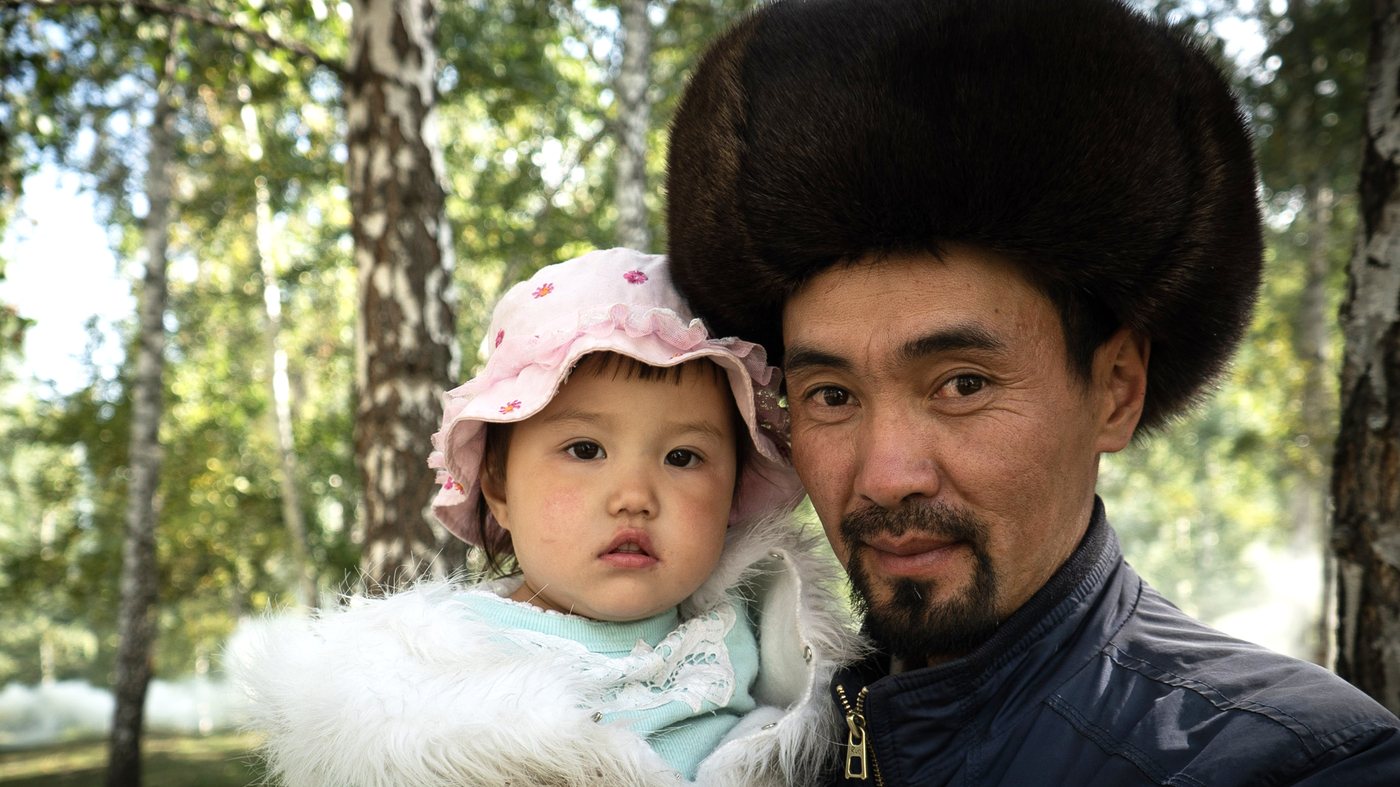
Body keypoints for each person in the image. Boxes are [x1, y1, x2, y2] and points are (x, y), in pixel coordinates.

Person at [663, 0, 1400, 784]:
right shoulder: (733, 734)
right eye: (832, 395)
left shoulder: (1296, 762)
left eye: (962, 384)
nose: (884, 474)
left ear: (1115, 391)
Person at [228, 249, 864, 787]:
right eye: (586, 450)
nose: (635, 495)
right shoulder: (438, 671)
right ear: (499, 485)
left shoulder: (774, 646)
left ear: (732, 495)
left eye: (682, 456)